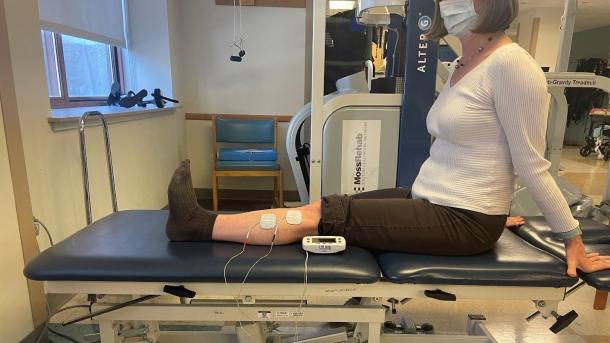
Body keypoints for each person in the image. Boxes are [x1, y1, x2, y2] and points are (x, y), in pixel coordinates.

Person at [165, 0, 610, 277]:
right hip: (435, 202)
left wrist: (571, 240)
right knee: (321, 205)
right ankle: (206, 219)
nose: (448, 3)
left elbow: (531, 163)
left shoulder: (514, 67)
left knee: (326, 216)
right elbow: (478, 148)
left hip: (463, 221)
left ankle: (196, 225)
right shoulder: (461, 65)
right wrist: (499, 206)